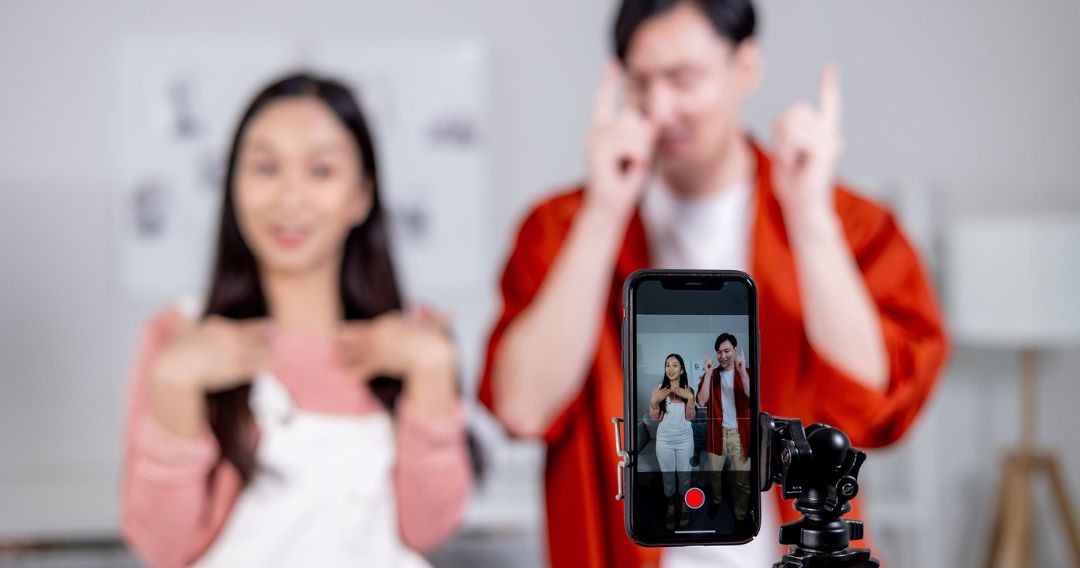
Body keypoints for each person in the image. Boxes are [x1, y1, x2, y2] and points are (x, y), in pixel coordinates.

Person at [478, 0, 948, 566]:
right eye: (639, 83)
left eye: (683, 79)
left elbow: (878, 407)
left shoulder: (846, 222)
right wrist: (603, 215)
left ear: (744, 67)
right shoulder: (560, 228)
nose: (659, 108)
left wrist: (810, 219)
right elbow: (522, 409)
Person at [119, 73, 472, 568]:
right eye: (265, 168)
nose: (290, 198)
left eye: (321, 171)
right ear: (233, 186)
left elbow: (428, 528)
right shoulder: (178, 336)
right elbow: (162, 548)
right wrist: (176, 383)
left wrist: (433, 371)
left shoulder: (419, 337)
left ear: (362, 195)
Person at [695, 334, 750, 521]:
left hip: (739, 435)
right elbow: (701, 402)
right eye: (719, 352)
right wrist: (708, 373)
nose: (723, 356)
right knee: (714, 476)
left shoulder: (746, 373)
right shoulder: (712, 375)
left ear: (734, 350)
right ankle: (717, 501)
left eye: (726, 351)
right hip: (717, 434)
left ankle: (741, 514)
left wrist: (742, 372)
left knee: (742, 480)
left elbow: (753, 397)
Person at [648, 354, 696, 529]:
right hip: (664, 442)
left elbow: (691, 418)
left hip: (685, 441)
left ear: (681, 369)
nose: (670, 368)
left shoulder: (688, 389)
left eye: (675, 365)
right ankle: (670, 507)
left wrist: (690, 399)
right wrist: (654, 402)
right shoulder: (658, 389)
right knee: (668, 477)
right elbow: (654, 419)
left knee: (685, 477)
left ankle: (684, 506)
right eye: (667, 365)